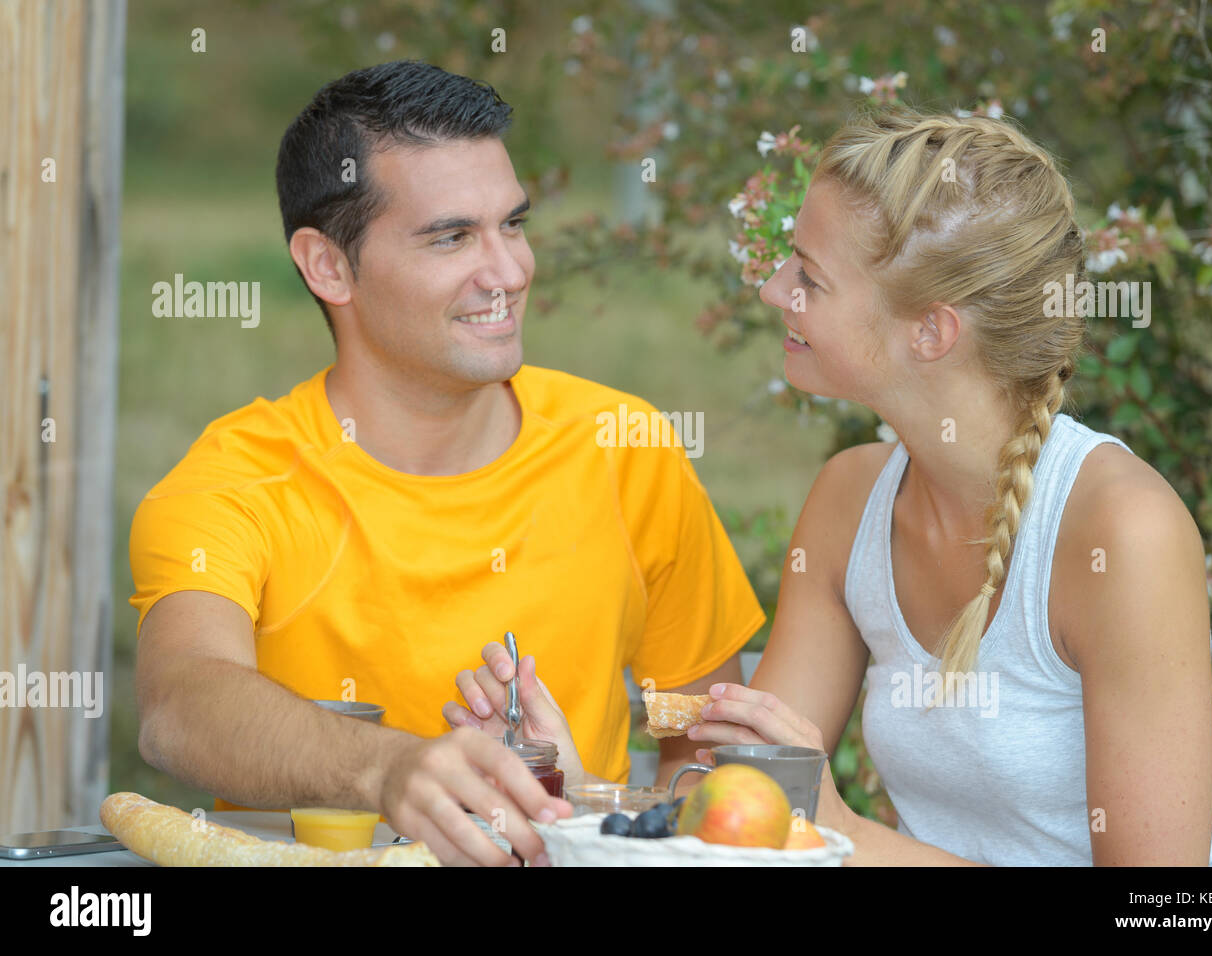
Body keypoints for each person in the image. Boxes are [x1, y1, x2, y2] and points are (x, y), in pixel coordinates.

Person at [482, 105, 1212, 866]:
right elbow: (737, 809)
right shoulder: (850, 499)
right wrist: (575, 793)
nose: (775, 290)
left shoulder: (1122, 532)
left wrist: (834, 830)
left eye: (809, 275)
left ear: (931, 332)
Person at [128, 60, 763, 867]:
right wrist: (391, 769)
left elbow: (701, 754)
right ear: (327, 265)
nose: (509, 272)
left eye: (514, 225)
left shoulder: (625, 444)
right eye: (453, 236)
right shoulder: (234, 481)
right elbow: (181, 706)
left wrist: (590, 817)